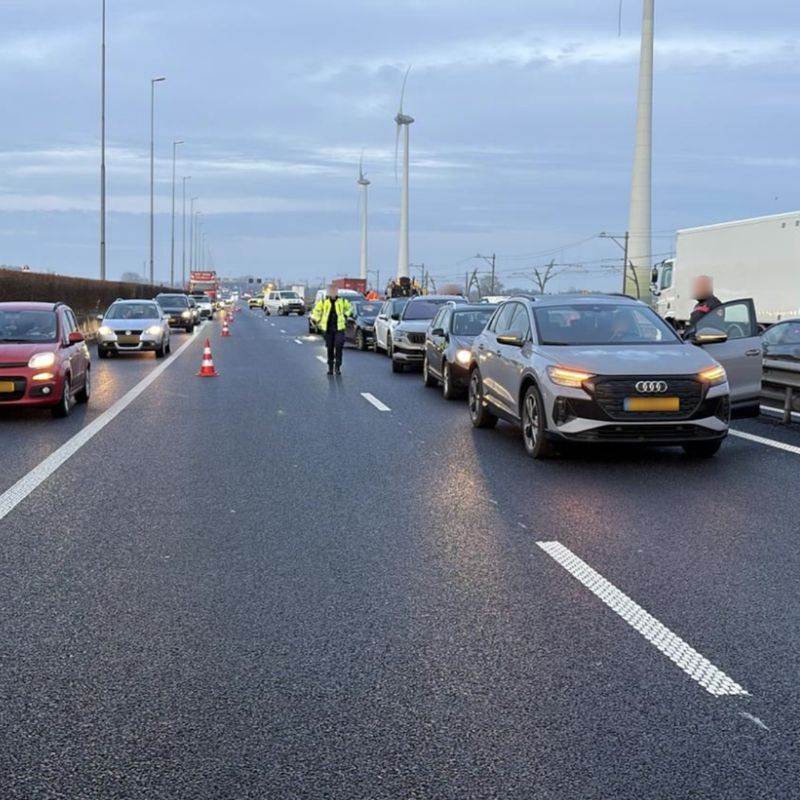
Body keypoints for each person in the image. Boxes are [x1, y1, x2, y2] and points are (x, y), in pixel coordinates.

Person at [310, 284, 353, 375]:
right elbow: (316, 311)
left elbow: (350, 307)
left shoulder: (342, 301)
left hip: (339, 328)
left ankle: (337, 366)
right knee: (330, 348)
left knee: (338, 346)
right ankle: (330, 367)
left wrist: (346, 315)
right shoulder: (324, 302)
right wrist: (318, 320)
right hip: (328, 329)